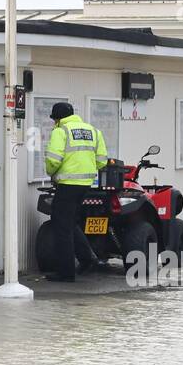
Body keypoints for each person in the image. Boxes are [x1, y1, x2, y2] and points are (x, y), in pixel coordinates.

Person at [43, 101, 108, 281]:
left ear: (57, 119)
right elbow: (102, 161)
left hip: (67, 185)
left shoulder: (61, 131)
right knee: (70, 223)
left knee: (61, 226)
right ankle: (87, 260)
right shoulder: (93, 131)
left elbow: (53, 160)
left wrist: (51, 172)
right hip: (85, 184)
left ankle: (66, 273)